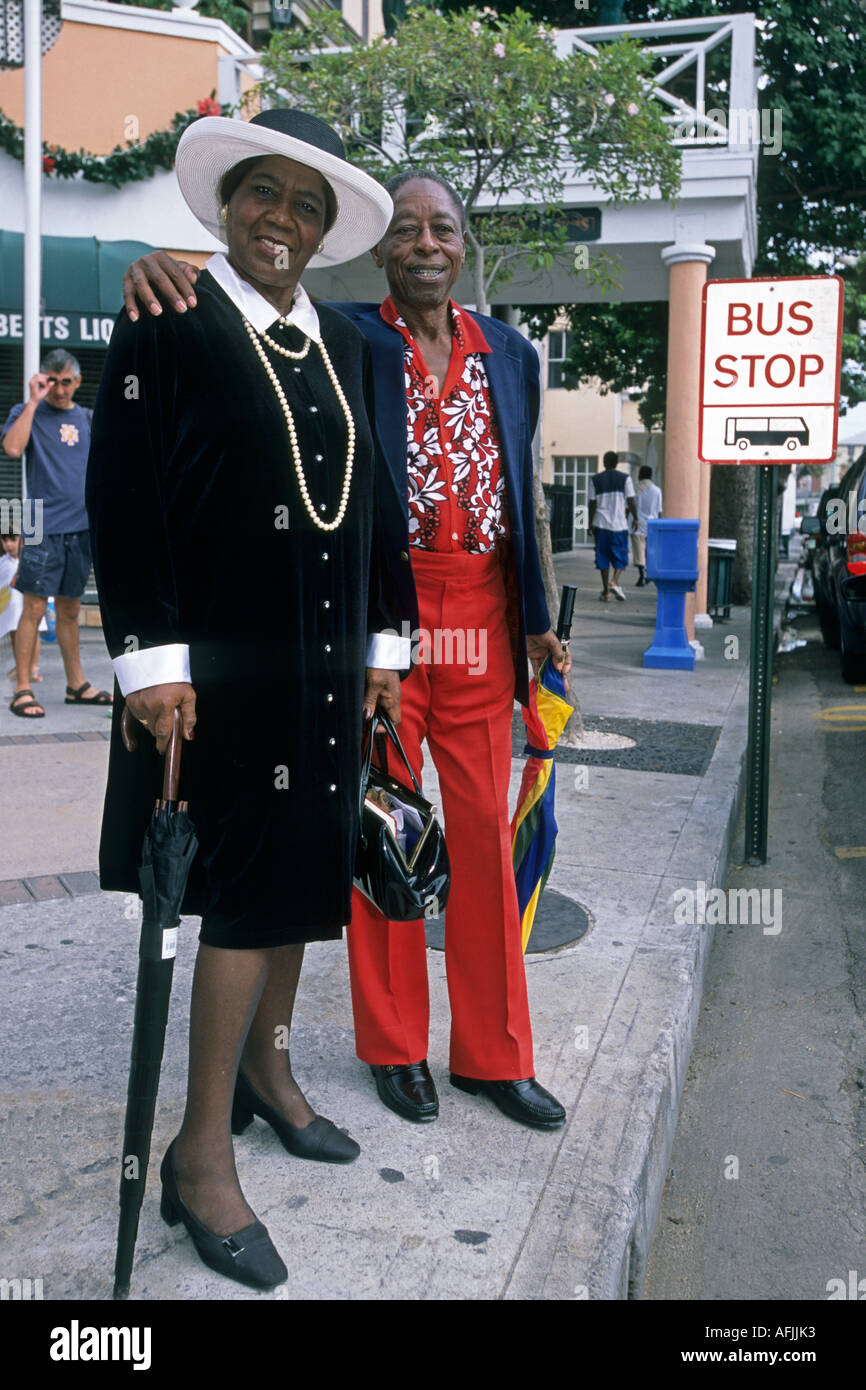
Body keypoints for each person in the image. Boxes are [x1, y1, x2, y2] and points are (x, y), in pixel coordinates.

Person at [123, 168, 570, 1134]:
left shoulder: (515, 353)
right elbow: (253, 299)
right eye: (406, 228)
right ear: (378, 250)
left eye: (442, 228)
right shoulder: (350, 338)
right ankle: (396, 1047)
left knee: (487, 837)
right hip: (389, 610)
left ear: (464, 244)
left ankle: (497, 1055)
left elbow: (527, 493)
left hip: (486, 613)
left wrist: (534, 611)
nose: (425, 244)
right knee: (381, 823)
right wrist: (165, 267)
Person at [87, 109, 412, 1291]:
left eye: (306, 205)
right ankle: (199, 1153)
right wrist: (150, 660)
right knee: (230, 896)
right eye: (262, 195)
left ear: (326, 233)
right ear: (228, 207)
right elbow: (124, 500)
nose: (281, 219)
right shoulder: (167, 318)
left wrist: (386, 639)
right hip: (214, 677)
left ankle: (271, 1076)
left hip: (324, 665)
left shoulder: (351, 345)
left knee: (298, 880)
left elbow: (378, 501)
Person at [1, 352, 111, 717]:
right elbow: (13, 448)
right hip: (36, 520)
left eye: (66, 381)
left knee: (70, 609)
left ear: (78, 382)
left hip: (80, 523)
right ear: (42, 380)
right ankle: (22, 687)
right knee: (33, 607)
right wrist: (33, 401)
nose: (59, 389)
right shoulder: (26, 411)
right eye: (52, 381)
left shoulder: (87, 418)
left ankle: (76, 684)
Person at [589, 450, 638, 602]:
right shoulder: (625, 478)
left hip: (600, 523)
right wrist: (636, 518)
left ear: (604, 462)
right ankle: (615, 581)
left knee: (602, 557)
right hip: (619, 524)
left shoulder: (595, 479)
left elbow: (591, 503)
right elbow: (631, 500)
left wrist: (588, 523)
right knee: (621, 555)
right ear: (617, 463)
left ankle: (605, 591)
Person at [0, 532, 41, 682]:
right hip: (11, 607)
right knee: (14, 632)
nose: (9, 544)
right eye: (5, 540)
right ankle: (20, 665)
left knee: (33, 633)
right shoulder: (3, 562)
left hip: (29, 605)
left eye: (13, 540)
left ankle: (34, 667)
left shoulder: (31, 561)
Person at [633, 464, 663, 586]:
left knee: (639, 552)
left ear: (640, 474)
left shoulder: (635, 489)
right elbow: (659, 510)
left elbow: (629, 507)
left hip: (637, 524)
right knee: (649, 551)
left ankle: (641, 576)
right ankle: (649, 574)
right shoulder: (657, 490)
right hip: (652, 525)